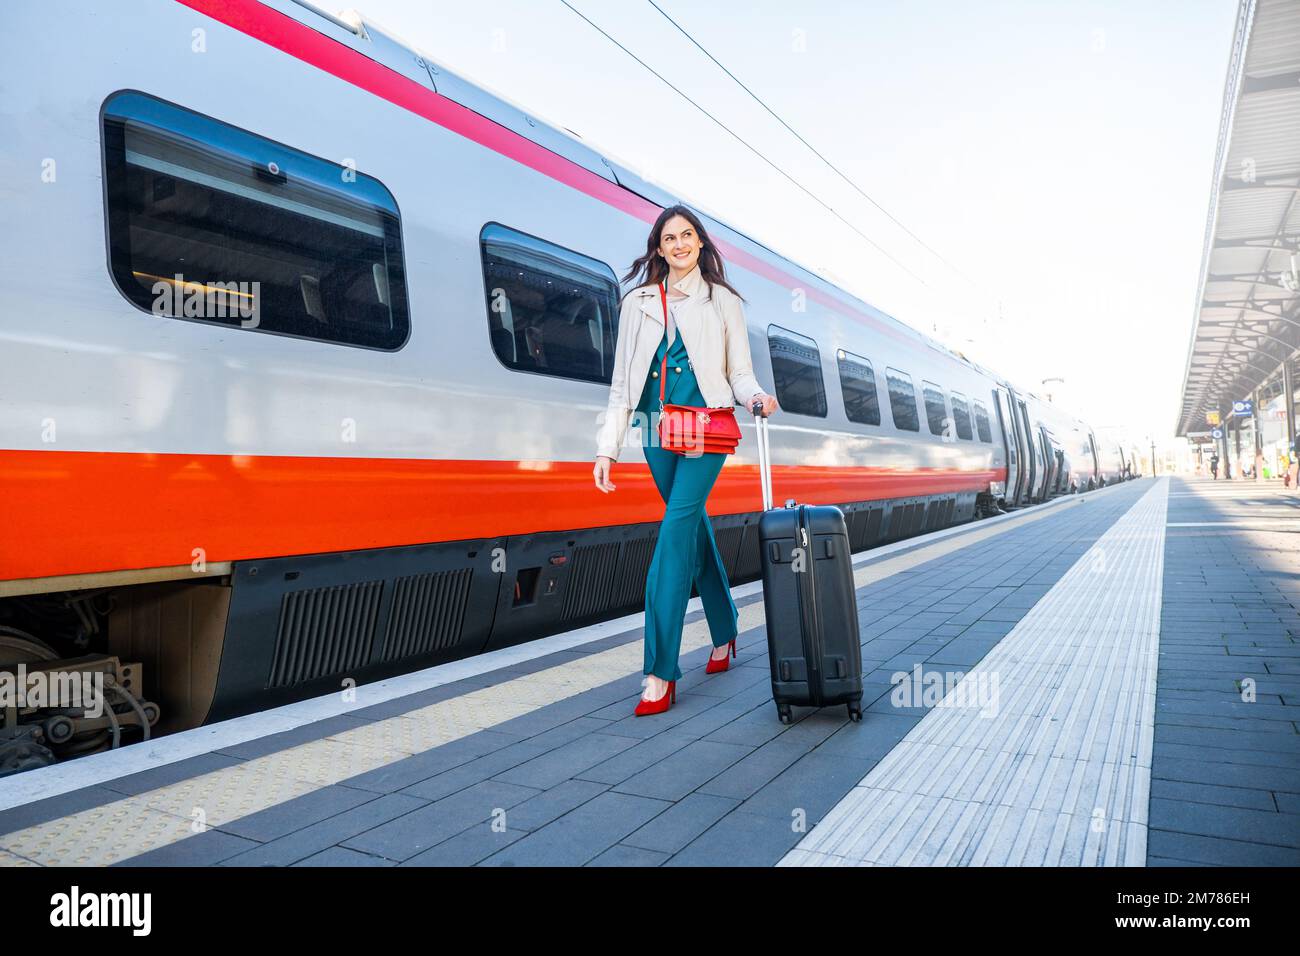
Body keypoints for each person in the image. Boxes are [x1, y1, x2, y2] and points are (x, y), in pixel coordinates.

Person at [592, 205, 779, 716]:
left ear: (700, 244)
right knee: (693, 527)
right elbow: (621, 384)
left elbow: (739, 371)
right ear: (658, 248)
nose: (678, 244)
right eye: (669, 237)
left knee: (673, 535)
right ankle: (725, 632)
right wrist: (607, 447)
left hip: (704, 429)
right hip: (654, 429)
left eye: (687, 236)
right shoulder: (638, 303)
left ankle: (659, 671)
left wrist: (758, 395)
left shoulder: (722, 301)